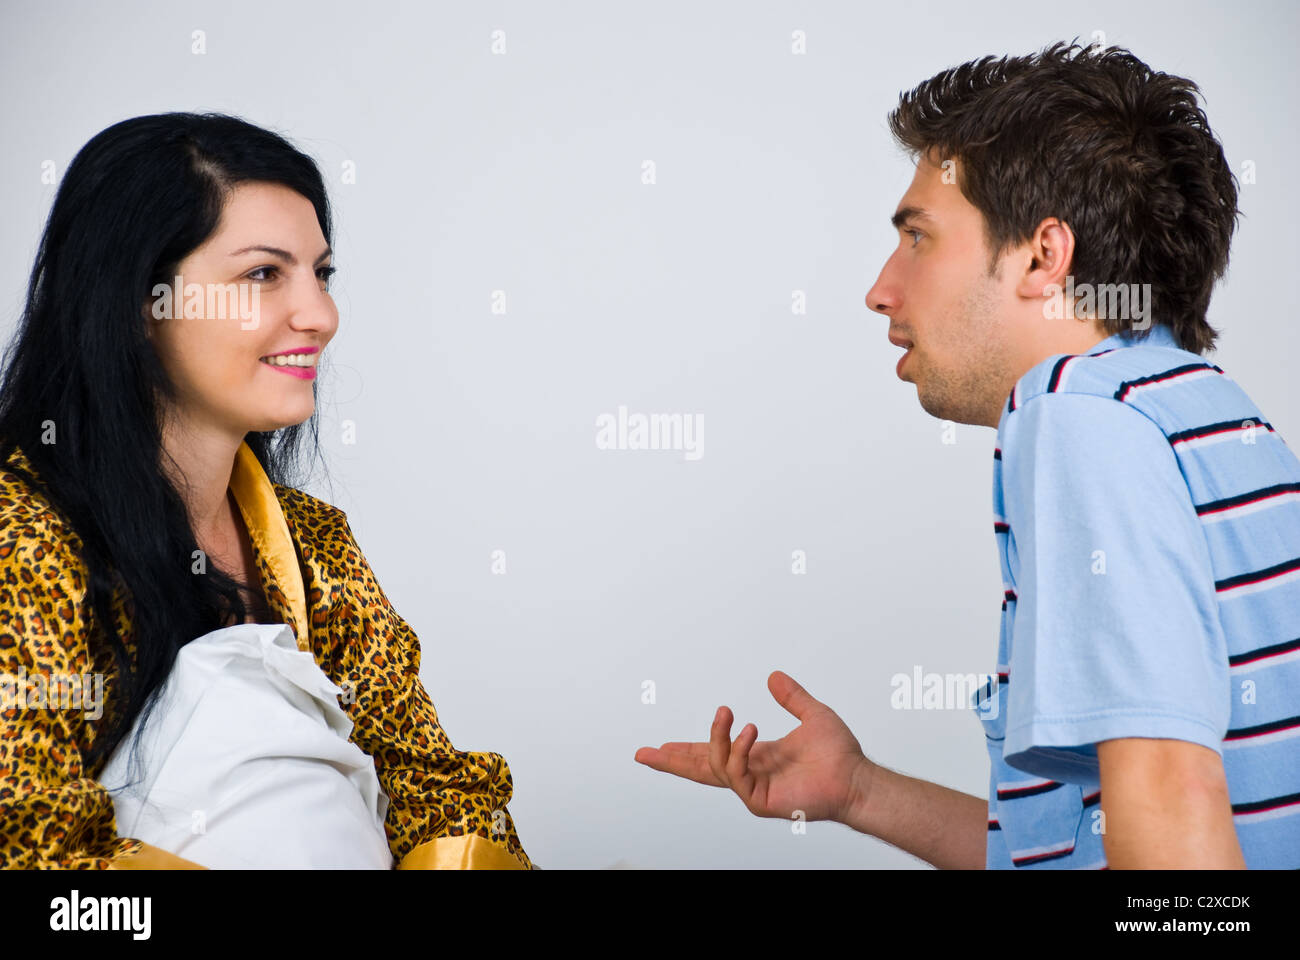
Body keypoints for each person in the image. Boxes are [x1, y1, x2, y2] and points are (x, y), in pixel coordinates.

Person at [636, 41, 1300, 868]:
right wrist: (859, 792)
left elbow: (1172, 812)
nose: (881, 288)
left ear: (1041, 257)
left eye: (918, 238)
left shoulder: (1074, 416)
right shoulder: (1220, 421)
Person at [0, 113, 532, 869]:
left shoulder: (315, 546)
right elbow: (29, 853)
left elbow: (440, 794)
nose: (320, 315)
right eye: (262, 274)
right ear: (138, 303)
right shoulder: (21, 540)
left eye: (322, 273)